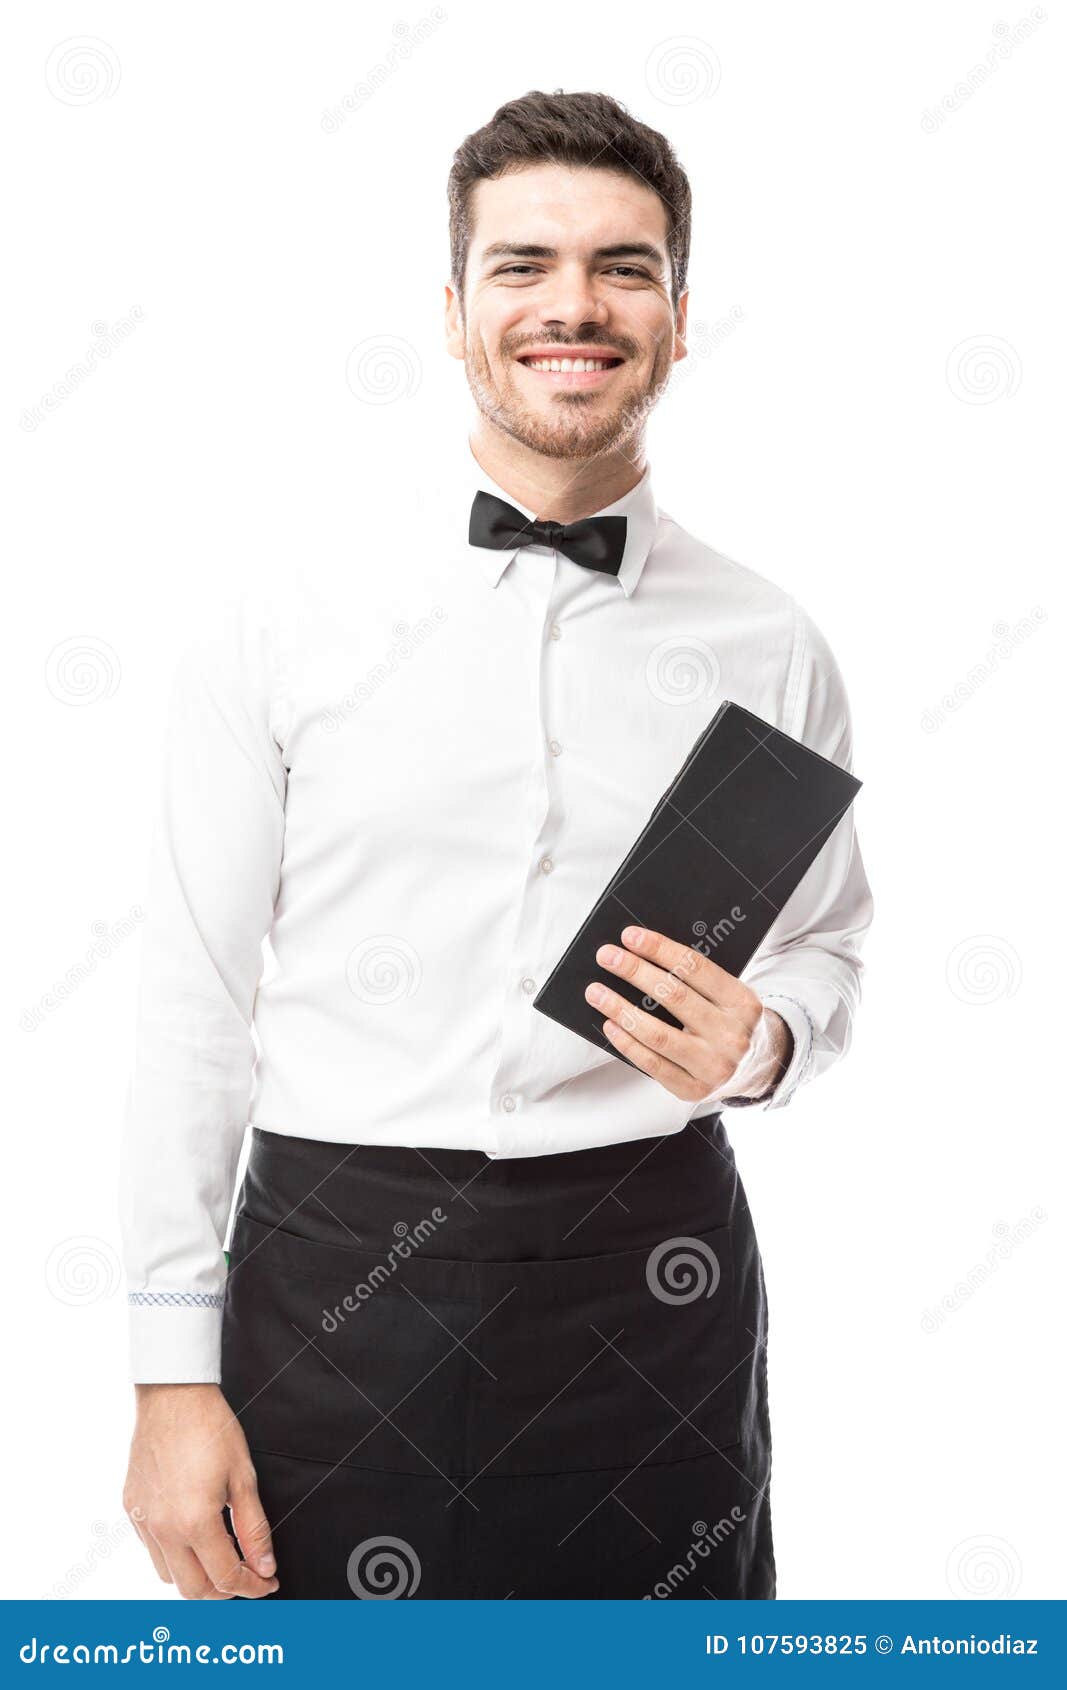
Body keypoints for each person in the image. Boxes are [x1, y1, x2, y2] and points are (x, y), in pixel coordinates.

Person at [120, 88, 873, 1600]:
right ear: (456, 309)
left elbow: (828, 944)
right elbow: (193, 1000)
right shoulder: (281, 617)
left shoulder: (773, 641)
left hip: (656, 1280)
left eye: (624, 268)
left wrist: (768, 1041)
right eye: (522, 264)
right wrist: (167, 1376)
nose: (572, 307)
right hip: (333, 1282)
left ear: (678, 320)